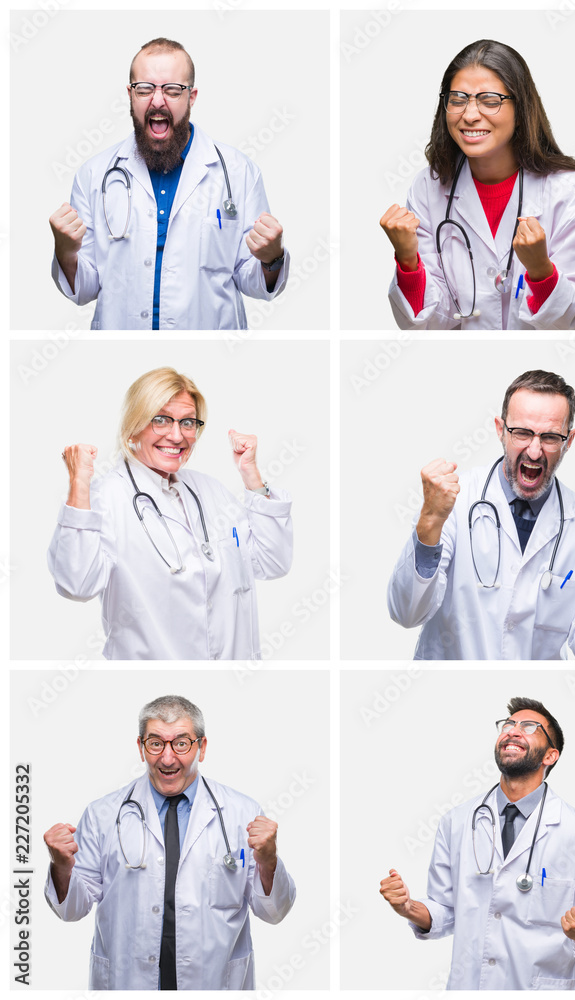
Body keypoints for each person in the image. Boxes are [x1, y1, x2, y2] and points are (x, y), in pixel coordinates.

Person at [43, 696, 295, 990]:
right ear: (140, 748)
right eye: (155, 743)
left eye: (181, 743)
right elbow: (71, 910)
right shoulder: (103, 814)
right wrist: (61, 866)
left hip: (214, 983)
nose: (167, 758)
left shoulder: (242, 813)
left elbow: (274, 912)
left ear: (201, 748)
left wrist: (268, 860)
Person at [47, 367, 293, 659]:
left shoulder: (210, 490)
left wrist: (251, 475)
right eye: (161, 420)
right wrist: (79, 484)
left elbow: (272, 562)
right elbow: (77, 585)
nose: (177, 436)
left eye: (188, 422)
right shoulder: (104, 497)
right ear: (133, 426)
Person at [48, 37, 288, 330]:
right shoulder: (94, 175)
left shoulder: (239, 172)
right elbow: (85, 290)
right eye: (145, 89)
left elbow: (253, 282)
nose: (158, 100)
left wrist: (271, 258)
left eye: (173, 90)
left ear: (192, 97)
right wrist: (65, 251)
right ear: (130, 95)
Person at [379, 697, 575, 989]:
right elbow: (444, 909)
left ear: (550, 756)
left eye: (529, 727)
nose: (513, 731)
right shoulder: (456, 822)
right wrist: (409, 907)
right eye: (508, 725)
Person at [387, 370, 575, 659]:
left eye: (550, 437)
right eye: (522, 433)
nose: (534, 452)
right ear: (500, 429)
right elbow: (406, 613)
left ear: (568, 440)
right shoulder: (453, 505)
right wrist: (429, 522)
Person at [380, 39, 575, 330]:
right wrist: (407, 260)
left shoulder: (569, 194)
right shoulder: (429, 188)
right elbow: (428, 325)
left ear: (521, 107)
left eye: (490, 100)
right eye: (458, 99)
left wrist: (541, 270)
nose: (470, 114)